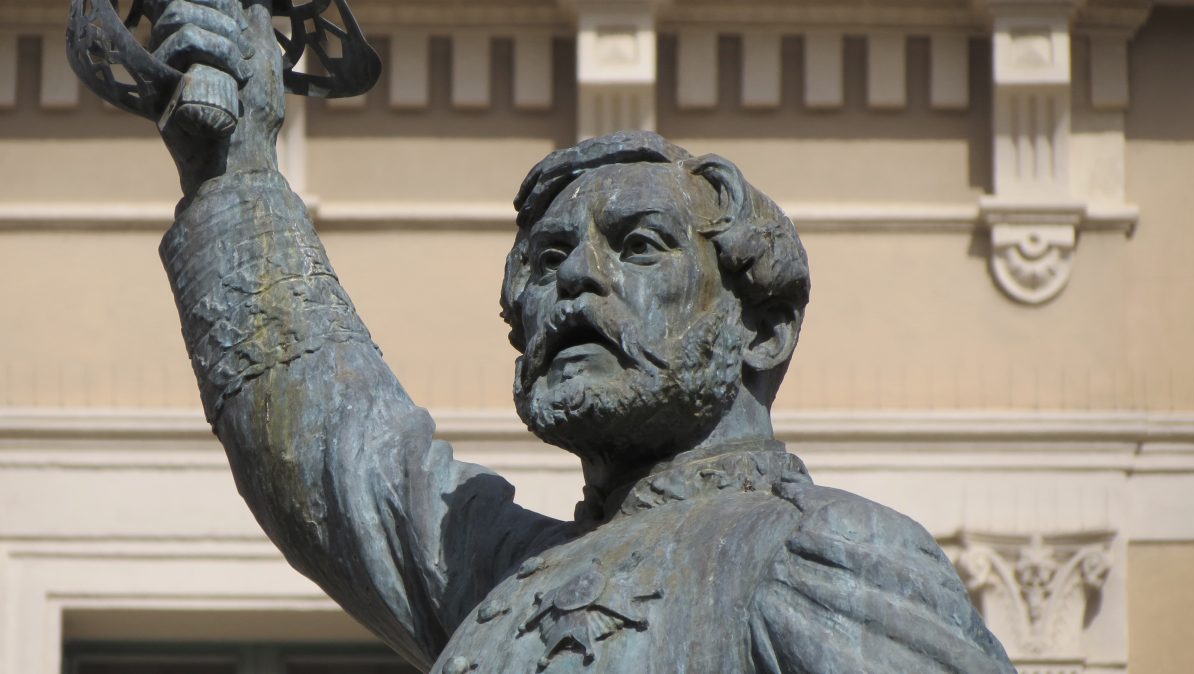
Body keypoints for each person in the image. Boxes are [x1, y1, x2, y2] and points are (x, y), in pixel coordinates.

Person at [148, 1, 1015, 672]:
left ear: (763, 329)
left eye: (638, 246)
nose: (574, 279)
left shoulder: (823, 557)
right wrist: (232, 172)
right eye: (548, 257)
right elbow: (335, 447)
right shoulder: (503, 577)